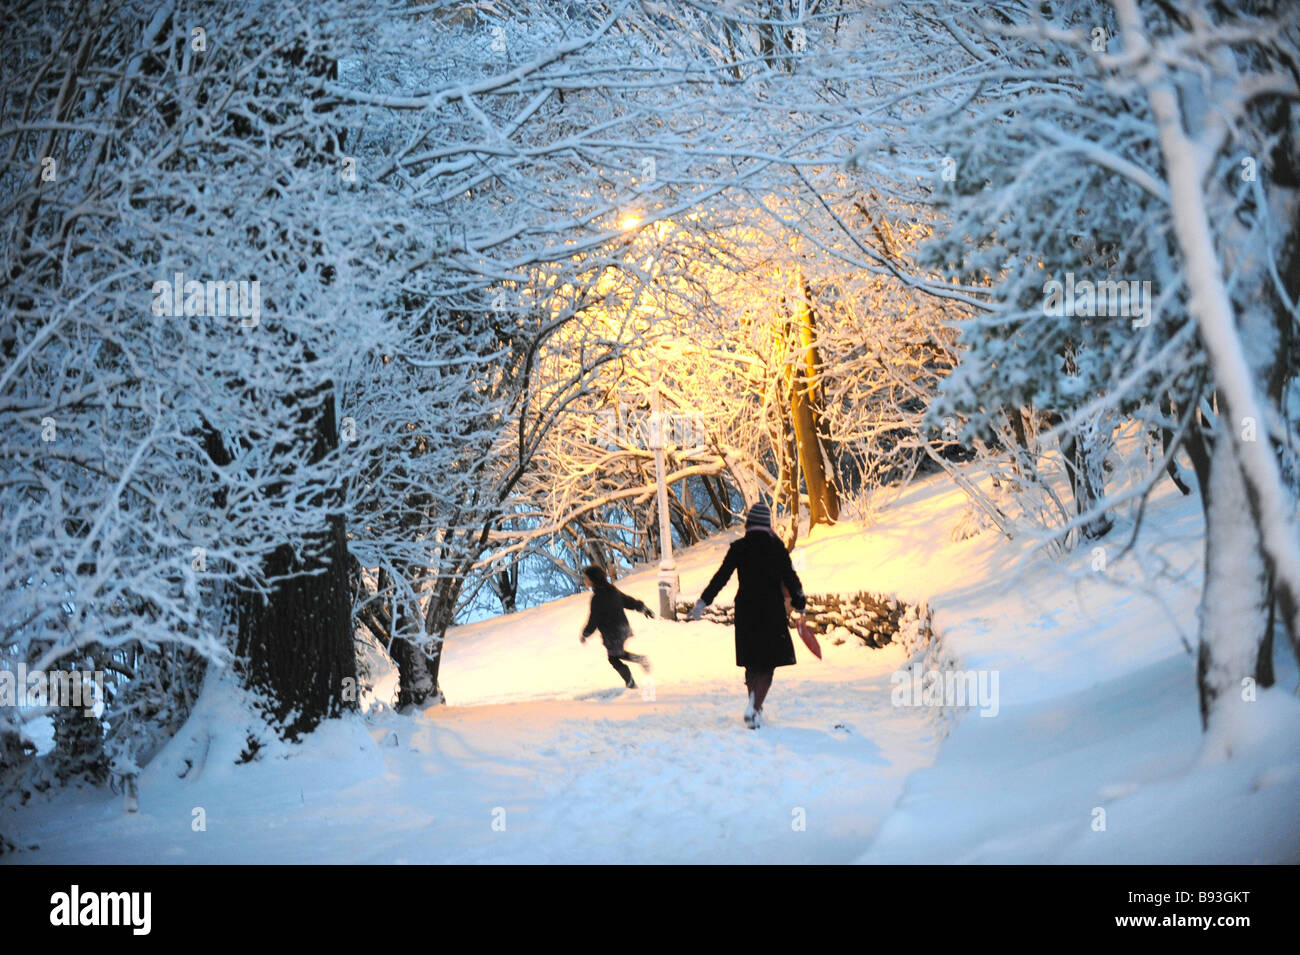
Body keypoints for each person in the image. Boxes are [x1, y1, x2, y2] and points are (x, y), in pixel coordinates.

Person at [691, 501, 806, 729]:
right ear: (767, 524)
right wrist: (800, 602)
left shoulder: (739, 548)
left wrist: (703, 601)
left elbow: (720, 577)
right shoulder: (777, 548)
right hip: (771, 611)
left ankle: (754, 705)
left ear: (750, 523)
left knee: (752, 663)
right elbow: (791, 579)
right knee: (768, 665)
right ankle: (754, 709)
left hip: (746, 611)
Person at [580, 565, 655, 689]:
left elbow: (593, 620)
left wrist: (585, 634)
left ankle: (631, 680)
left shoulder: (597, 599)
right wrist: (644, 609)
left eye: (586, 578)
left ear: (593, 580)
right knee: (617, 655)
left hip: (612, 633)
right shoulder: (612, 591)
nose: (585, 580)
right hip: (623, 629)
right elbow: (628, 601)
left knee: (614, 658)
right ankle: (637, 666)